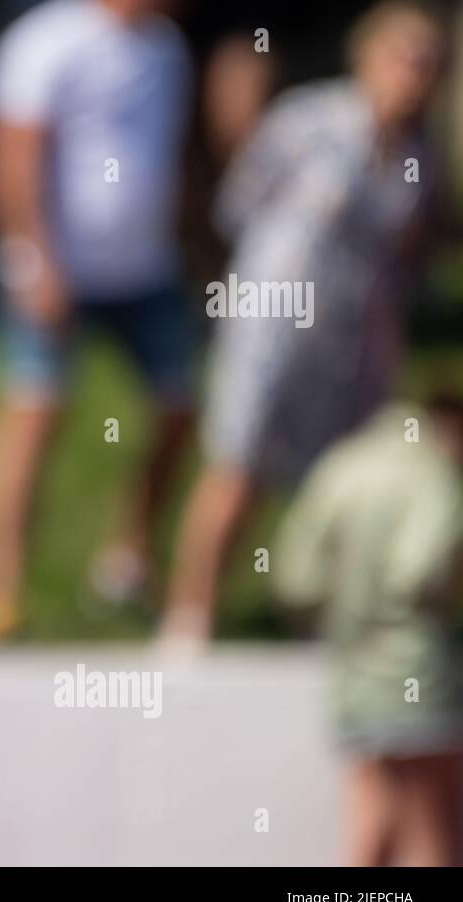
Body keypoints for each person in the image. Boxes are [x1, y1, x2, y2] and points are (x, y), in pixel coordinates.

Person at [159, 0, 449, 649]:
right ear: (366, 56)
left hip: (355, 335)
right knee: (241, 458)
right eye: (403, 57)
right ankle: (191, 612)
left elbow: (409, 251)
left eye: (429, 64)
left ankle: (318, 610)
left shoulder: (420, 154)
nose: (414, 74)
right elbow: (242, 204)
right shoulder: (309, 120)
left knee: (335, 472)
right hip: (275, 322)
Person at [0, 0, 195, 643]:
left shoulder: (167, 46)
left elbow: (169, 150)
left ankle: (129, 561)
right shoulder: (47, 40)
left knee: (180, 407)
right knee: (33, 415)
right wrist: (34, 260)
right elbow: (13, 154)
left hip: (146, 270)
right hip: (57, 266)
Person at [275, 395, 463, 866]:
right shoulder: (432, 475)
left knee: (371, 816)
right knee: (434, 824)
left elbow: (298, 580)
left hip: (352, 672)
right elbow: (420, 572)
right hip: (422, 673)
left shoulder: (339, 467)